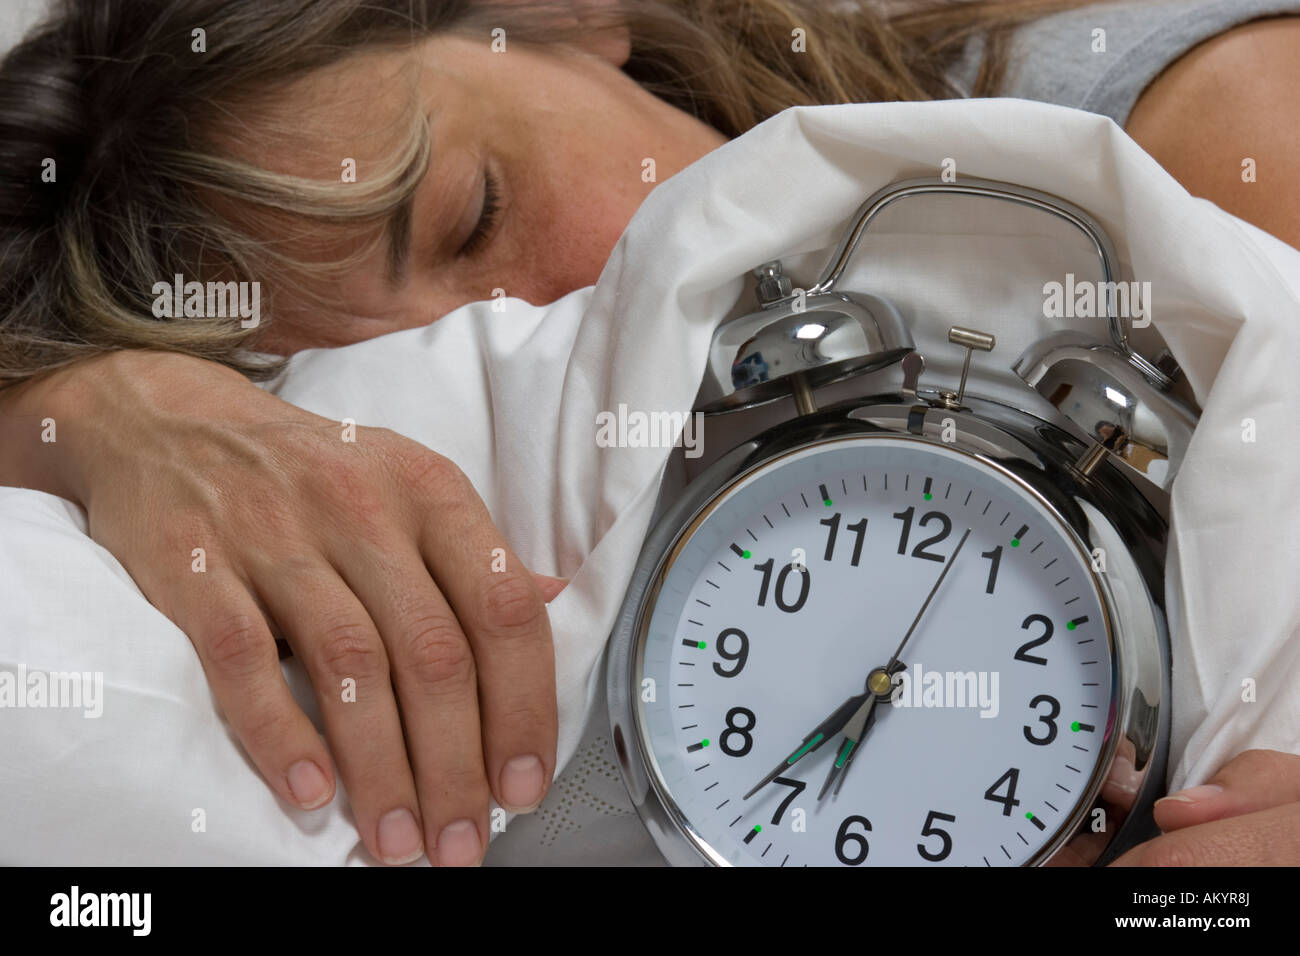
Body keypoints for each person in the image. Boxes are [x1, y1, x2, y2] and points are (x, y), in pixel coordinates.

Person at [1, 0, 1297, 867]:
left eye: (471, 217)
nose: (541, 335)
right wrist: (88, 413)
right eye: (410, 367)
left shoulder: (1186, 140)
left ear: (566, 15)